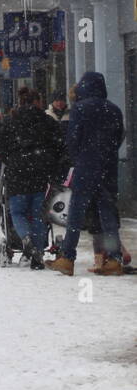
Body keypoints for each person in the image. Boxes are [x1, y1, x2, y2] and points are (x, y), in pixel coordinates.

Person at [49, 72, 125, 276]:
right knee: (107, 213)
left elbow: (73, 139)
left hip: (86, 167)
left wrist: (79, 159)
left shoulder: (80, 109)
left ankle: (67, 258)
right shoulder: (114, 109)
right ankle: (115, 259)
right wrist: (107, 155)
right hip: (108, 167)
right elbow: (119, 137)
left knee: (76, 213)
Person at [0, 88, 64, 269]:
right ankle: (38, 251)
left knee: (17, 212)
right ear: (38, 102)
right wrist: (52, 165)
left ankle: (25, 239)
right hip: (40, 173)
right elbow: (59, 146)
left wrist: (7, 157)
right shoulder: (47, 121)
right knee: (38, 213)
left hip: (17, 172)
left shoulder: (9, 121)